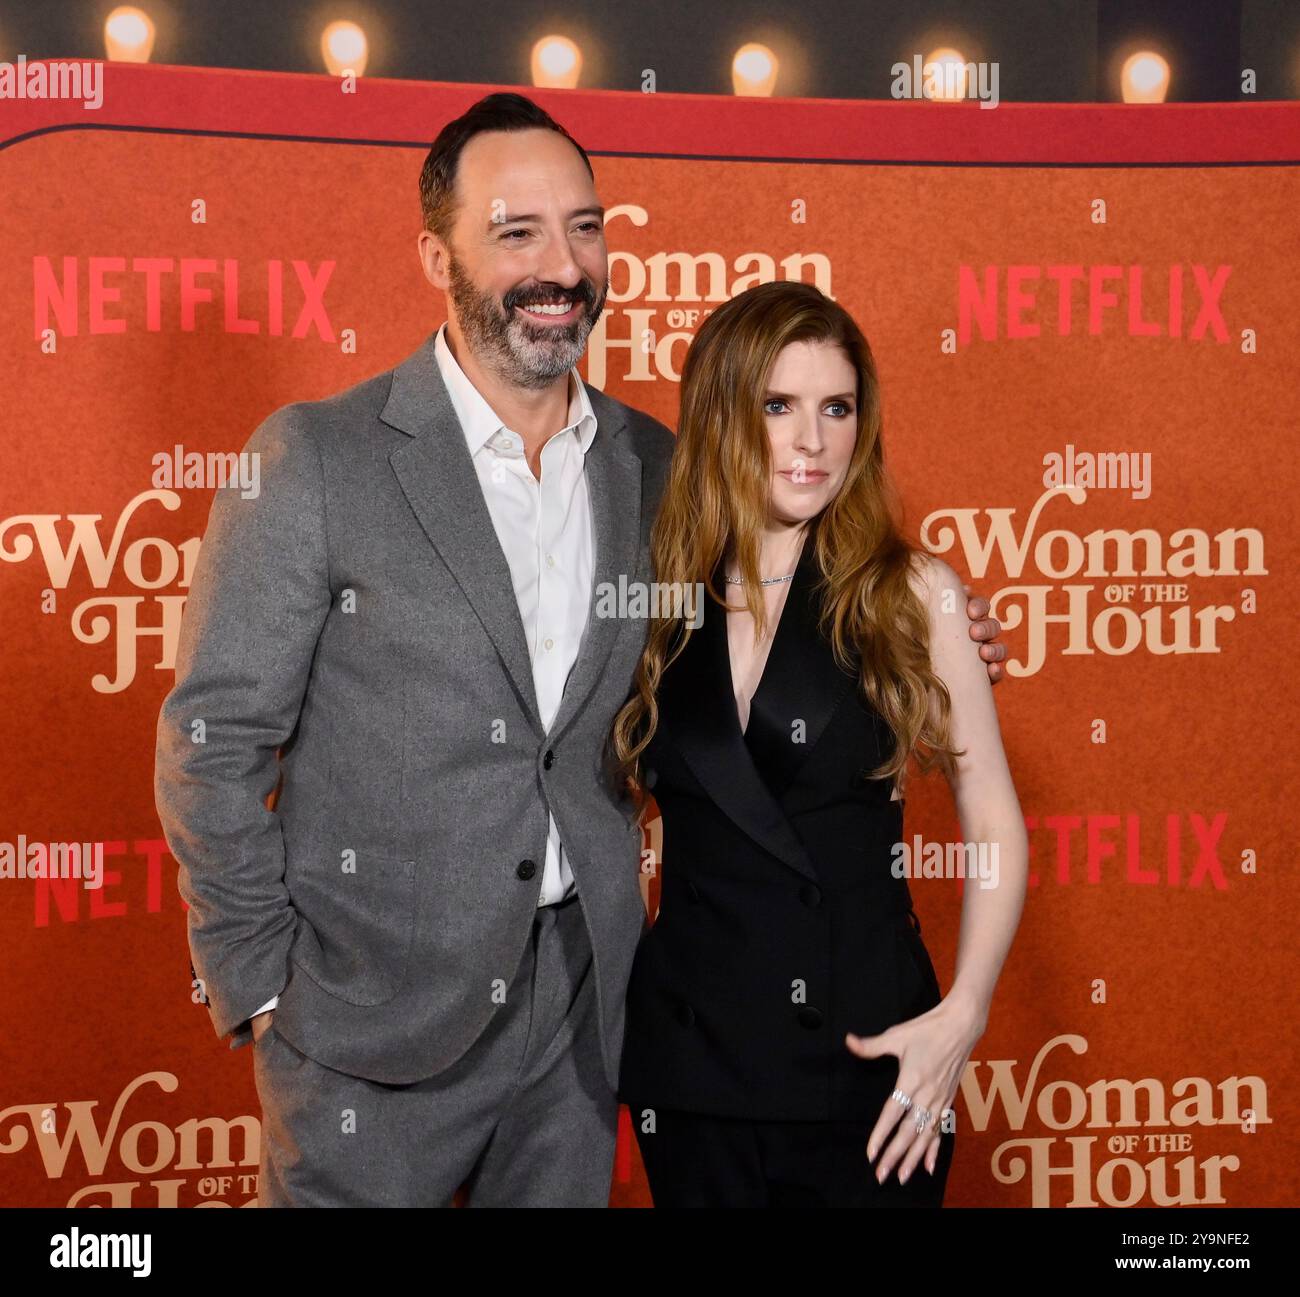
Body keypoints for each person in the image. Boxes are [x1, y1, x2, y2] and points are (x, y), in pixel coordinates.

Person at [154, 92, 1008, 1208]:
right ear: (435, 254)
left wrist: (939, 629)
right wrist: (263, 984)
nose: (563, 264)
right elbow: (210, 741)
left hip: (583, 1023)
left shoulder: (658, 472)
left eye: (586, 227)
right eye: (517, 232)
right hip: (365, 1032)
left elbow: (797, 600)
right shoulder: (320, 460)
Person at [614, 280, 1028, 1208]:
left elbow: (990, 811)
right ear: (724, 415)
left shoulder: (911, 589)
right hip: (695, 1070)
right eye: (778, 405)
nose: (813, 440)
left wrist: (964, 1011)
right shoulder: (655, 597)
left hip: (872, 1058)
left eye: (836, 407)